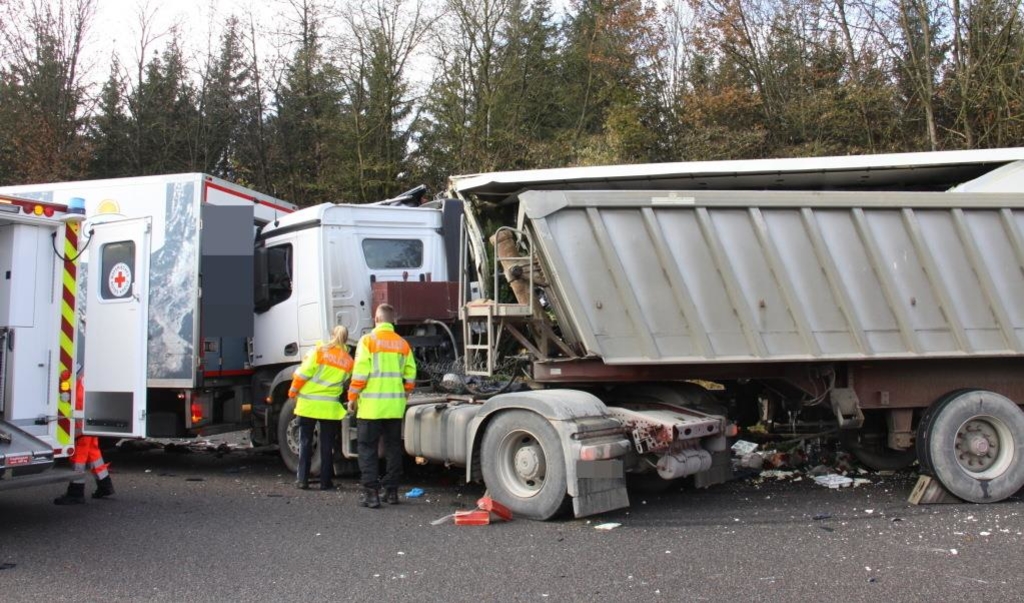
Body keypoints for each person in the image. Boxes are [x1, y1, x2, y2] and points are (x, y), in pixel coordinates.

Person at [347, 303, 416, 508]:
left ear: (376, 319)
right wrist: (405, 392)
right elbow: (411, 373)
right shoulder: (402, 344)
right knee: (393, 448)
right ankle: (391, 492)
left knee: (368, 448)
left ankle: (371, 494)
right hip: (394, 406)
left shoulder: (368, 341)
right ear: (392, 320)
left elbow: (360, 372)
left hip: (371, 407)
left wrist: (352, 397)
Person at [288, 325, 353, 491]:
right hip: (329, 407)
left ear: (332, 335)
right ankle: (325, 482)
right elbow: (345, 383)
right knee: (327, 444)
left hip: (308, 405)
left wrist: (293, 391)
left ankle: (302, 480)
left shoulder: (319, 352)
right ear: (346, 339)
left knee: (305, 442)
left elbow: (303, 373)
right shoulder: (348, 361)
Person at [54, 372, 114, 505]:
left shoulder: (78, 377)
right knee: (93, 453)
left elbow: (77, 400)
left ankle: (76, 492)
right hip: (89, 420)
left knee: (79, 457)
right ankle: (105, 485)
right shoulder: (88, 375)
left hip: (81, 423)